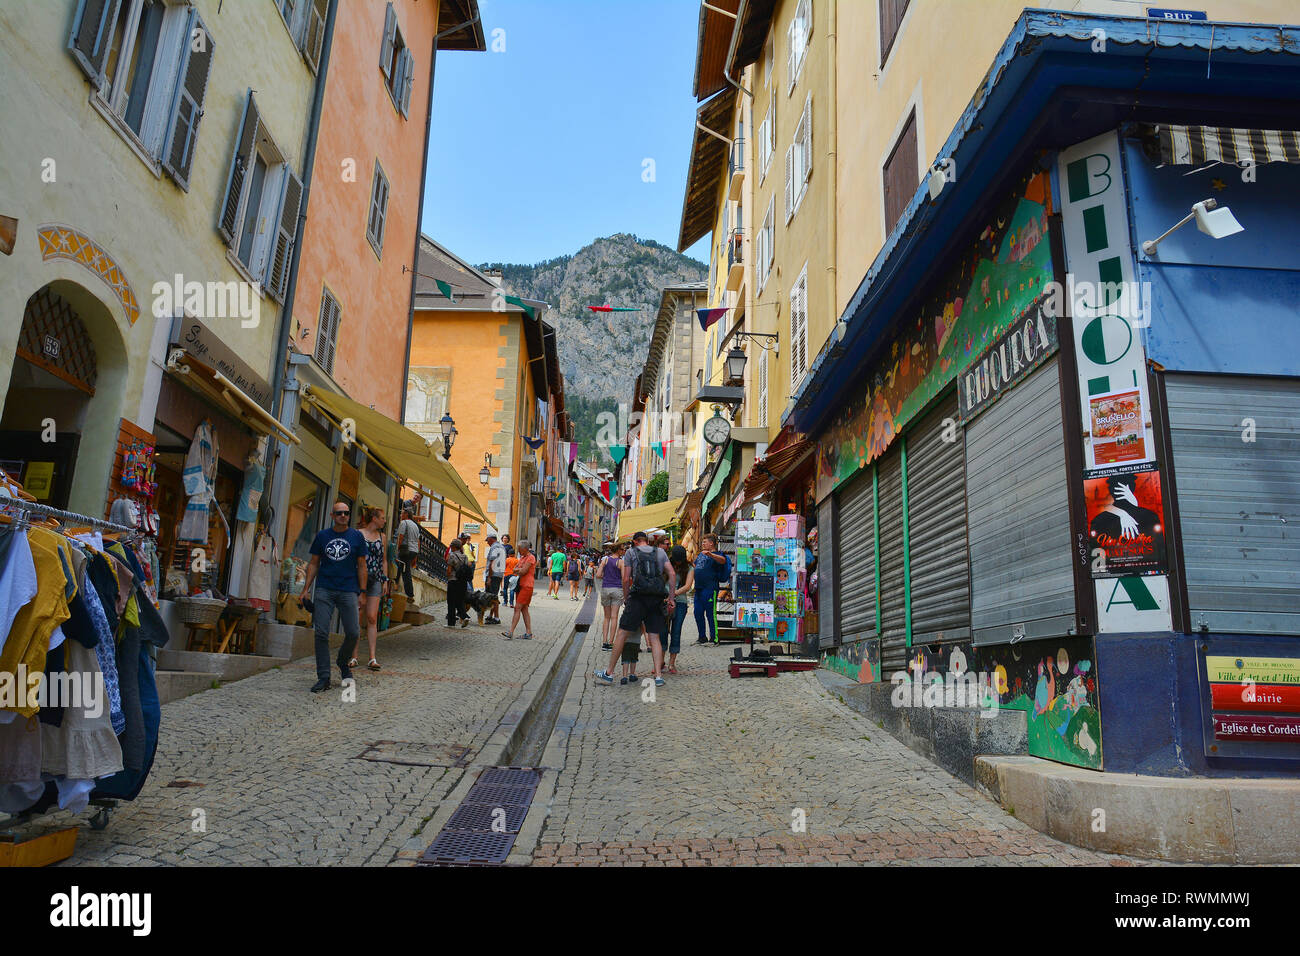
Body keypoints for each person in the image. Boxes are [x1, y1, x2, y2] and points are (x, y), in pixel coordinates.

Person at [298, 502, 367, 692]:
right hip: (325, 589)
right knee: (321, 632)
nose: (343, 516)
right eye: (339, 513)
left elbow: (362, 565)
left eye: (346, 513)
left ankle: (342, 662)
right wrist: (306, 589)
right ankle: (324, 677)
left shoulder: (356, 537)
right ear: (332, 515)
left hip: (348, 590)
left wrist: (362, 592)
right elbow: (313, 564)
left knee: (353, 632)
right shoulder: (322, 536)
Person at [593, 530, 675, 688]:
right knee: (654, 637)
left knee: (622, 633)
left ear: (636, 541)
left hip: (638, 598)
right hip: (656, 598)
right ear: (647, 540)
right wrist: (671, 598)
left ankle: (609, 673)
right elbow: (671, 573)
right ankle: (658, 676)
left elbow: (626, 578)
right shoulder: (660, 552)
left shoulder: (631, 552)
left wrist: (626, 597)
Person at [352, 507, 390, 671]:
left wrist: (385, 580)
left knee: (372, 617)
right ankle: (353, 656)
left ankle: (372, 657)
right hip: (358, 579)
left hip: (375, 579)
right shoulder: (357, 534)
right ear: (374, 518)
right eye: (382, 518)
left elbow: (384, 560)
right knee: (357, 616)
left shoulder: (382, 537)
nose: (384, 520)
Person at [693, 533, 729, 645]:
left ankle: (714, 638)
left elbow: (723, 560)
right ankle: (702, 637)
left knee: (710, 614)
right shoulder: (701, 554)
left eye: (705, 542)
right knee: (697, 612)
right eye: (702, 542)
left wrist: (710, 555)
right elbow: (695, 565)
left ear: (711, 543)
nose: (703, 544)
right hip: (699, 588)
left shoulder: (717, 554)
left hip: (710, 588)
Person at [502, 540, 537, 639]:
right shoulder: (522, 558)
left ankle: (511, 632)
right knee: (524, 609)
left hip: (527, 586)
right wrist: (519, 569)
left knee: (517, 608)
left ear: (525, 549)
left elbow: (523, 571)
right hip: (520, 585)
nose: (518, 551)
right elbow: (515, 569)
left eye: (519, 549)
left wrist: (519, 570)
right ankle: (528, 633)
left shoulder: (531, 557)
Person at [667, 545, 693, 675]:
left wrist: (674, 594)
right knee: (661, 632)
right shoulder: (666, 565)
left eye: (680, 560)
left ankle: (671, 663)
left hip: (680, 602)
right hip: (664, 602)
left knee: (676, 632)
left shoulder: (689, 568)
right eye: (676, 560)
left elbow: (687, 586)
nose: (678, 562)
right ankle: (659, 661)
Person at [597, 542, 624, 651]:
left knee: (606, 617)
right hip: (617, 589)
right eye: (622, 549)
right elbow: (623, 578)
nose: (623, 551)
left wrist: (606, 576)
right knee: (614, 617)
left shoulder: (605, 560)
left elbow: (598, 575)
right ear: (618, 550)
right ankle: (611, 643)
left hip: (605, 589)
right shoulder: (621, 562)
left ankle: (604, 642)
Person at [394, 506, 420, 600]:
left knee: (399, 566)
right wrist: (416, 556)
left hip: (406, 549)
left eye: (402, 513)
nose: (401, 515)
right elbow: (418, 541)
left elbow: (400, 537)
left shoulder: (403, 523)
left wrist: (396, 549)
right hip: (413, 551)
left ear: (406, 514)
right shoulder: (415, 525)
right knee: (405, 569)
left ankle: (397, 586)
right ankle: (409, 594)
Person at [445, 538, 472, 628]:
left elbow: (449, 570)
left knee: (451, 601)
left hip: (453, 580)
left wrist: (448, 577)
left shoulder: (452, 556)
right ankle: (464, 616)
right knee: (460, 600)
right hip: (462, 581)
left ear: (453, 547)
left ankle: (451, 623)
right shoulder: (465, 556)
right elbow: (467, 566)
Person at [484, 532, 506, 625]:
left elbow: (492, 563)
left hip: (493, 575)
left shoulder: (494, 547)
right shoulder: (502, 547)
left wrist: (489, 577)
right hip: (499, 574)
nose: (487, 542)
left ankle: (496, 618)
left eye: (487, 540)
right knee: (493, 596)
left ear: (491, 539)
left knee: (492, 597)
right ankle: (491, 615)